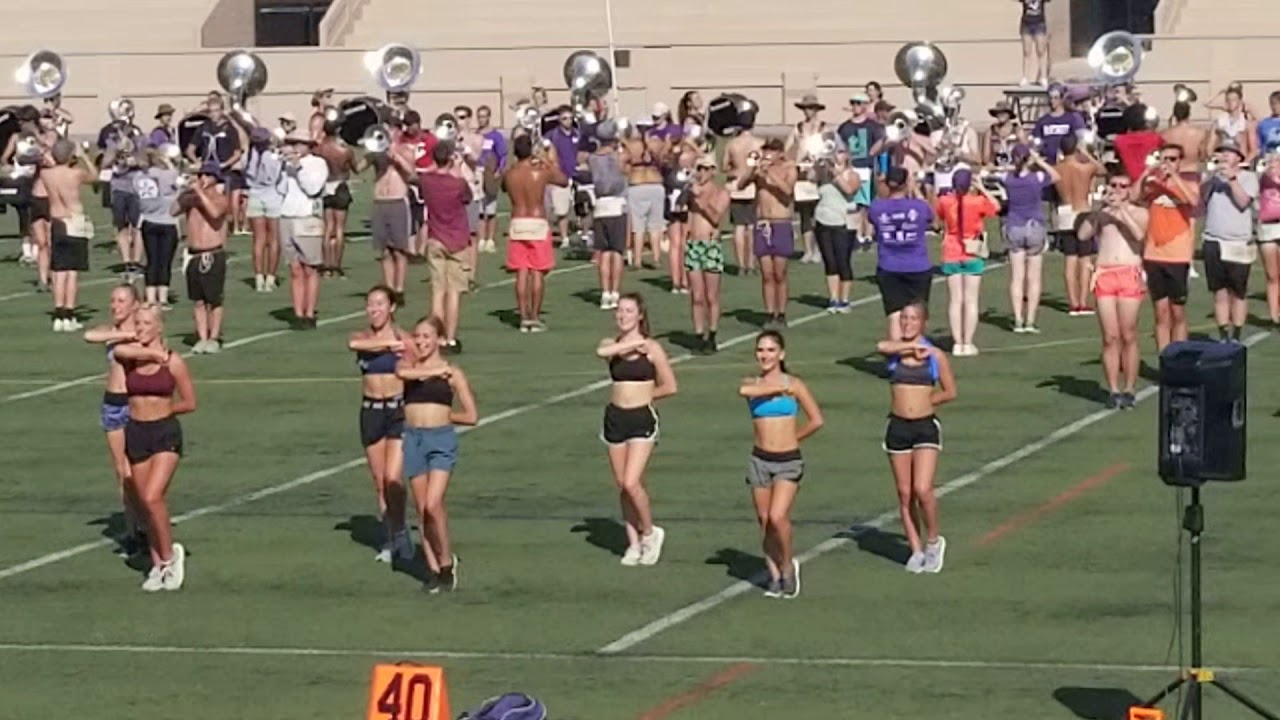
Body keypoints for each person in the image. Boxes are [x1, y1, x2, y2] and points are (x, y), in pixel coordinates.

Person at [111, 305, 197, 591]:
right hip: (136, 432)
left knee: (152, 496)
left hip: (164, 433)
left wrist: (163, 409)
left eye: (147, 323)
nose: (141, 328)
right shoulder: (129, 356)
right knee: (143, 502)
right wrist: (149, 352)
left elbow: (189, 401)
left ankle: (172, 556)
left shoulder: (173, 361)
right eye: (138, 323)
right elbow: (118, 349)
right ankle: (158, 563)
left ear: (159, 327)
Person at [396, 316, 479, 593]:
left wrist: (446, 415)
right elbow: (402, 374)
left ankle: (446, 562)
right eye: (417, 336)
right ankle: (432, 570)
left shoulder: (453, 373)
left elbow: (472, 415)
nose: (421, 341)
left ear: (439, 340)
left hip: (440, 439)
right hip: (413, 439)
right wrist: (431, 373)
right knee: (421, 509)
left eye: (427, 336)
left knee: (433, 504)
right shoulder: (408, 366)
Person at [738, 330, 823, 598]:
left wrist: (793, 438)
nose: (765, 355)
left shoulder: (795, 385)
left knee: (777, 517)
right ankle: (774, 573)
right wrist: (776, 388)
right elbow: (744, 390)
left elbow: (816, 420)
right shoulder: (753, 383)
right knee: (764, 521)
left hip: (787, 461)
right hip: (760, 460)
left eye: (771, 350)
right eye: (761, 350)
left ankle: (787, 566)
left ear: (781, 354)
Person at [595, 293, 677, 566]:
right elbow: (601, 352)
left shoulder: (653, 349)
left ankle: (650, 532)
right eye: (619, 310)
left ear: (640, 315)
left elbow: (670, 385)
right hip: (614, 418)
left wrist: (645, 397)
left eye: (629, 311)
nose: (622, 315)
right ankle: (632, 543)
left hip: (641, 419)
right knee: (622, 485)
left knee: (632, 481)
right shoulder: (613, 344)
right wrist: (634, 344)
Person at [876, 301, 957, 573]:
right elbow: (882, 346)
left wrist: (926, 403)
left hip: (924, 427)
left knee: (923, 488)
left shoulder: (934, 355)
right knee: (904, 492)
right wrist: (909, 347)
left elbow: (950, 391)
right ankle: (915, 549)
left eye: (913, 319)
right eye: (904, 319)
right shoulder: (895, 352)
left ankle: (933, 540)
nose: (908, 323)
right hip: (897, 426)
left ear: (923, 322)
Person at [348, 286, 413, 564]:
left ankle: (401, 534)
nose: (374, 309)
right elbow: (354, 345)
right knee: (379, 483)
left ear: (391, 308)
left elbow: (415, 360)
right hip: (371, 411)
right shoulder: (362, 337)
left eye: (379, 304)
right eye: (370, 304)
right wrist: (387, 346)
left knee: (392, 479)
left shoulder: (403, 338)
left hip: (397, 411)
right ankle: (391, 536)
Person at [1077, 169, 1149, 409]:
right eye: (1114, 185)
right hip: (1105, 274)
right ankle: (1113, 389)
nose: (1117, 190)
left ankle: (1129, 387)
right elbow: (1082, 234)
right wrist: (1098, 211)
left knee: (1129, 334)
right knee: (1110, 336)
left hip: (1129, 273)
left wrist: (1121, 212)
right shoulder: (1101, 214)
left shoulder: (1139, 212)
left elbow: (1139, 236)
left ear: (1130, 191)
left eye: (1122, 186)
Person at [82, 285, 144, 556]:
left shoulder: (143, 333)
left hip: (135, 406)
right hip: (112, 404)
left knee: (137, 472)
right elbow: (89, 334)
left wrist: (133, 334)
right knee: (121, 472)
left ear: (134, 305)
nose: (115, 305)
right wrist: (123, 333)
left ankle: (146, 525)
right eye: (113, 300)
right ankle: (132, 531)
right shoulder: (114, 333)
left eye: (121, 301)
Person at [502, 134, 568, 332]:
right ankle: (534, 317)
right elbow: (563, 180)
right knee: (537, 271)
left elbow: (505, 187)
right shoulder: (540, 171)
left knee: (521, 271)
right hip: (537, 221)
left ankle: (523, 317)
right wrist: (546, 161)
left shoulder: (511, 173)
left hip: (517, 221)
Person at [1137, 143, 1198, 351]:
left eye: (1173, 159)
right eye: (1164, 159)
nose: (1167, 163)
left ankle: (1180, 356)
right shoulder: (1153, 184)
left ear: (1180, 162)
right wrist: (1146, 173)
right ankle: (1165, 360)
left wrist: (1174, 177)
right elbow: (1135, 197)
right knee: (1160, 312)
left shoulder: (1188, 183)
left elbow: (1193, 200)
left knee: (1177, 311)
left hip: (1177, 255)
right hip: (1154, 254)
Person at [934, 169, 1000, 355]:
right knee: (971, 299)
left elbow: (939, 217)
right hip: (972, 251)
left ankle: (957, 342)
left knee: (955, 300)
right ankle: (967, 341)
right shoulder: (977, 201)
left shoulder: (946, 201)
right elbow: (996, 207)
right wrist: (982, 188)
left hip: (951, 250)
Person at [1200, 141, 1259, 342]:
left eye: (1229, 153)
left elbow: (1243, 202)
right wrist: (1209, 177)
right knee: (1219, 291)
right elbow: (1200, 200)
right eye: (1221, 152)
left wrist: (1232, 179)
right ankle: (1223, 333)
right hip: (1213, 239)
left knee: (1238, 291)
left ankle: (1237, 333)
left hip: (1238, 243)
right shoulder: (1212, 179)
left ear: (1239, 158)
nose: (1224, 156)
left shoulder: (1249, 178)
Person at [737, 138, 798, 328]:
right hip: (763, 223)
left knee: (780, 273)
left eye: (771, 152)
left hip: (781, 223)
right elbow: (740, 185)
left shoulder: (789, 168)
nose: (767, 155)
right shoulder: (760, 171)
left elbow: (787, 191)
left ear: (780, 153)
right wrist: (753, 171)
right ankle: (770, 312)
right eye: (765, 151)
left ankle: (781, 313)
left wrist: (771, 172)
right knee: (767, 273)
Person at [420, 142, 474, 351]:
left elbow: (420, 180)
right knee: (454, 292)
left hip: (435, 237)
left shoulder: (427, 181)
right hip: (457, 240)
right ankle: (450, 338)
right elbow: (467, 197)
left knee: (437, 292)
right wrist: (458, 170)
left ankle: (436, 337)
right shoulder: (458, 183)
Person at [869, 167, 934, 341]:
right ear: (906, 183)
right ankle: (915, 358)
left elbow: (874, 214)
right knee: (916, 315)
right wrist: (914, 190)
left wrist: (880, 186)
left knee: (894, 314)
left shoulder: (877, 207)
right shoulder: (918, 206)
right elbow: (932, 216)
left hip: (889, 265)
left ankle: (895, 358)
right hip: (917, 265)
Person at [1002, 144, 1060, 333]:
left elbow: (1002, 172)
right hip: (1035, 225)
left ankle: (1018, 319)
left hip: (1014, 225)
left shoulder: (1008, 179)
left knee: (1017, 277)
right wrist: (1039, 161)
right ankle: (1030, 320)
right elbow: (1056, 175)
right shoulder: (1037, 177)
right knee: (1034, 277)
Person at [174, 161, 230, 353]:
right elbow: (173, 210)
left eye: (206, 175)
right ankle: (201, 336)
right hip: (193, 254)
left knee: (213, 299)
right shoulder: (192, 198)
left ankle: (214, 337)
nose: (202, 178)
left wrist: (199, 193)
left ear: (215, 179)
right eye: (200, 175)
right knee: (197, 300)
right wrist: (185, 194)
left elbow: (214, 214)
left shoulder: (221, 199)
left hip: (212, 253)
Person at [43, 139, 98, 332]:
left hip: (57, 221)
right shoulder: (75, 173)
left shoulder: (46, 174)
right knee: (72, 271)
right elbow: (94, 176)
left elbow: (47, 160)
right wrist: (84, 157)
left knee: (58, 271)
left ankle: (59, 315)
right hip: (74, 221)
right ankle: (69, 312)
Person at [278, 131, 329, 329]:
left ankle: (310, 313)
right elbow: (281, 189)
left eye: (299, 143)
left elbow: (312, 188)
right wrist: (282, 167)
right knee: (294, 268)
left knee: (310, 268)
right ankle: (298, 313)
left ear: (309, 145)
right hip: (287, 215)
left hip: (308, 216)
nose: (295, 147)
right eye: (291, 143)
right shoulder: (286, 164)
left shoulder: (317, 163)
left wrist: (298, 168)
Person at [1053, 133, 1106, 316]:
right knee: (1085, 259)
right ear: (1076, 148)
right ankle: (1083, 302)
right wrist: (1087, 153)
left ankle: (1073, 303)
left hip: (1065, 213)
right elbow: (1102, 169)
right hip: (1083, 211)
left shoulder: (1057, 169)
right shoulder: (1084, 168)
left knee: (1070, 259)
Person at [686, 155, 730, 353]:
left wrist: (700, 199)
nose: (701, 173)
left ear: (713, 171)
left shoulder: (721, 192)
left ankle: (712, 334)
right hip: (694, 245)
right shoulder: (692, 192)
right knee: (696, 295)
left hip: (710, 246)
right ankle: (698, 334)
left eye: (705, 169)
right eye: (699, 169)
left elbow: (715, 216)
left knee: (711, 295)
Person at [372, 121, 421, 303]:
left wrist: (397, 159)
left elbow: (412, 175)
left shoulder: (406, 151)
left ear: (399, 131)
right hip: (380, 201)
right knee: (385, 251)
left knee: (400, 249)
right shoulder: (376, 154)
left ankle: (399, 288)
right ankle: (389, 288)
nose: (388, 132)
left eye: (391, 128)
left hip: (398, 201)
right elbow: (358, 167)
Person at [813, 147, 861, 312]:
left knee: (843, 261)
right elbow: (810, 179)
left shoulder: (852, 174)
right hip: (823, 220)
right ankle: (833, 298)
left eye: (840, 152)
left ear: (847, 156)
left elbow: (849, 189)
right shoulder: (824, 174)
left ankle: (844, 299)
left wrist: (836, 173)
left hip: (843, 223)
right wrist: (816, 164)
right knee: (830, 261)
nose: (837, 155)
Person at [588, 119, 628, 309]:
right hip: (616, 203)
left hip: (600, 206)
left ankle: (604, 293)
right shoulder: (618, 156)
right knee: (616, 252)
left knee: (603, 252)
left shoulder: (593, 158)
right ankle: (615, 291)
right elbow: (630, 164)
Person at [135, 147, 182, 307]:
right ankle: (162, 298)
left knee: (151, 260)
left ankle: (150, 297)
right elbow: (176, 178)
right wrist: (168, 163)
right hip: (167, 221)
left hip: (148, 221)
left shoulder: (138, 177)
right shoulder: (165, 175)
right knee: (165, 262)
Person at [243, 127, 284, 292]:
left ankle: (258, 277)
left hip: (255, 195)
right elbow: (277, 175)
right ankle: (270, 278)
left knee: (258, 239)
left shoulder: (250, 155)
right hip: (272, 195)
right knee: (273, 239)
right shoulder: (272, 155)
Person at [314, 124, 358, 278]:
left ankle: (326, 266)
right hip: (340, 186)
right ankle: (336, 266)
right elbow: (356, 168)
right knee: (339, 229)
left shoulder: (318, 149)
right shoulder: (345, 150)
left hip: (326, 186)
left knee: (327, 228)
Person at [724, 124, 764, 274]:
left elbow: (724, 166)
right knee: (752, 227)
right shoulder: (759, 143)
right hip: (753, 186)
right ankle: (751, 263)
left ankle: (741, 265)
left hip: (736, 187)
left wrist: (736, 170)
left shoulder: (732, 143)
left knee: (739, 227)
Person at [1258, 151, 1280, 326]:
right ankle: (1273, 315)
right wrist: (1266, 170)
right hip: (1267, 226)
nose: (1274, 163)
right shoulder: (1262, 175)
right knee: (1271, 275)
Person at [1019, 0, 1050, 87]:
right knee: (1026, 51)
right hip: (1026, 23)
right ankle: (1025, 77)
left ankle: (1043, 77)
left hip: (1039, 23)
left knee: (1041, 51)